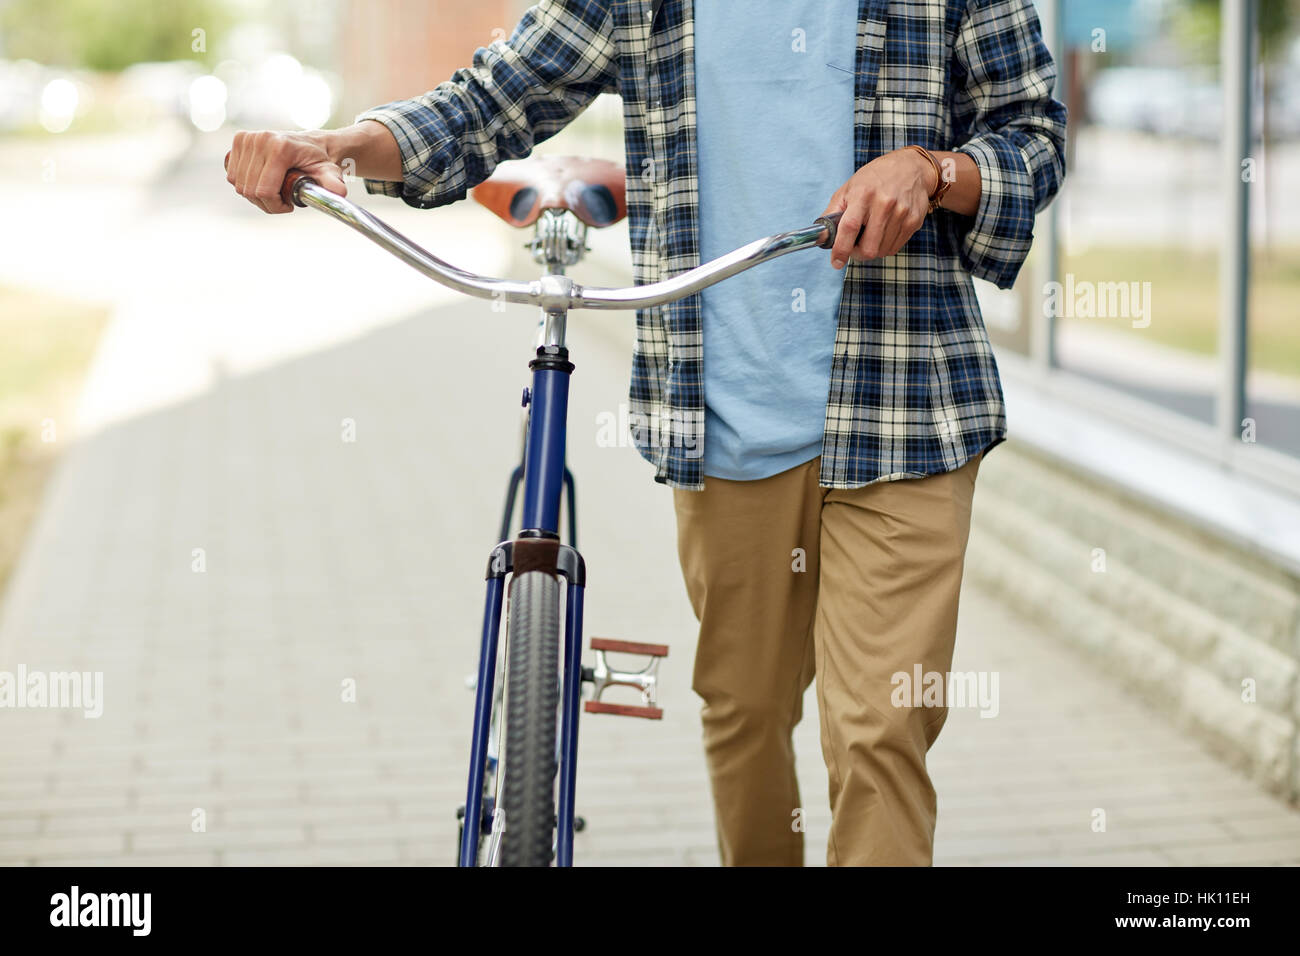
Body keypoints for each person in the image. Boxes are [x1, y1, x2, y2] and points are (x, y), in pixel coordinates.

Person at [226, 0, 1066, 866]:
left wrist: (935, 171)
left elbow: (1033, 133)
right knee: (744, 714)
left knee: (878, 732)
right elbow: (491, 100)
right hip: (728, 414)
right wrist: (338, 146)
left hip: (904, 408)